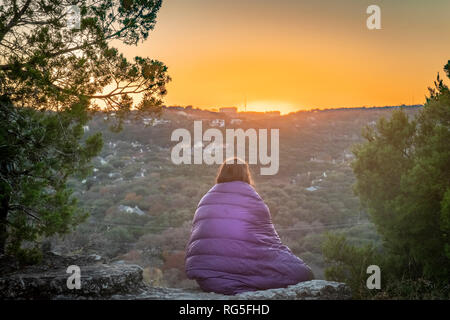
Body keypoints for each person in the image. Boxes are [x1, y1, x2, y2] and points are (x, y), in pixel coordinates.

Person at [185, 157, 314, 295]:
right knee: (304, 273)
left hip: (208, 277)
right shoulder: (251, 196)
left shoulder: (206, 198)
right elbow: (271, 240)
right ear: (245, 174)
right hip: (238, 266)